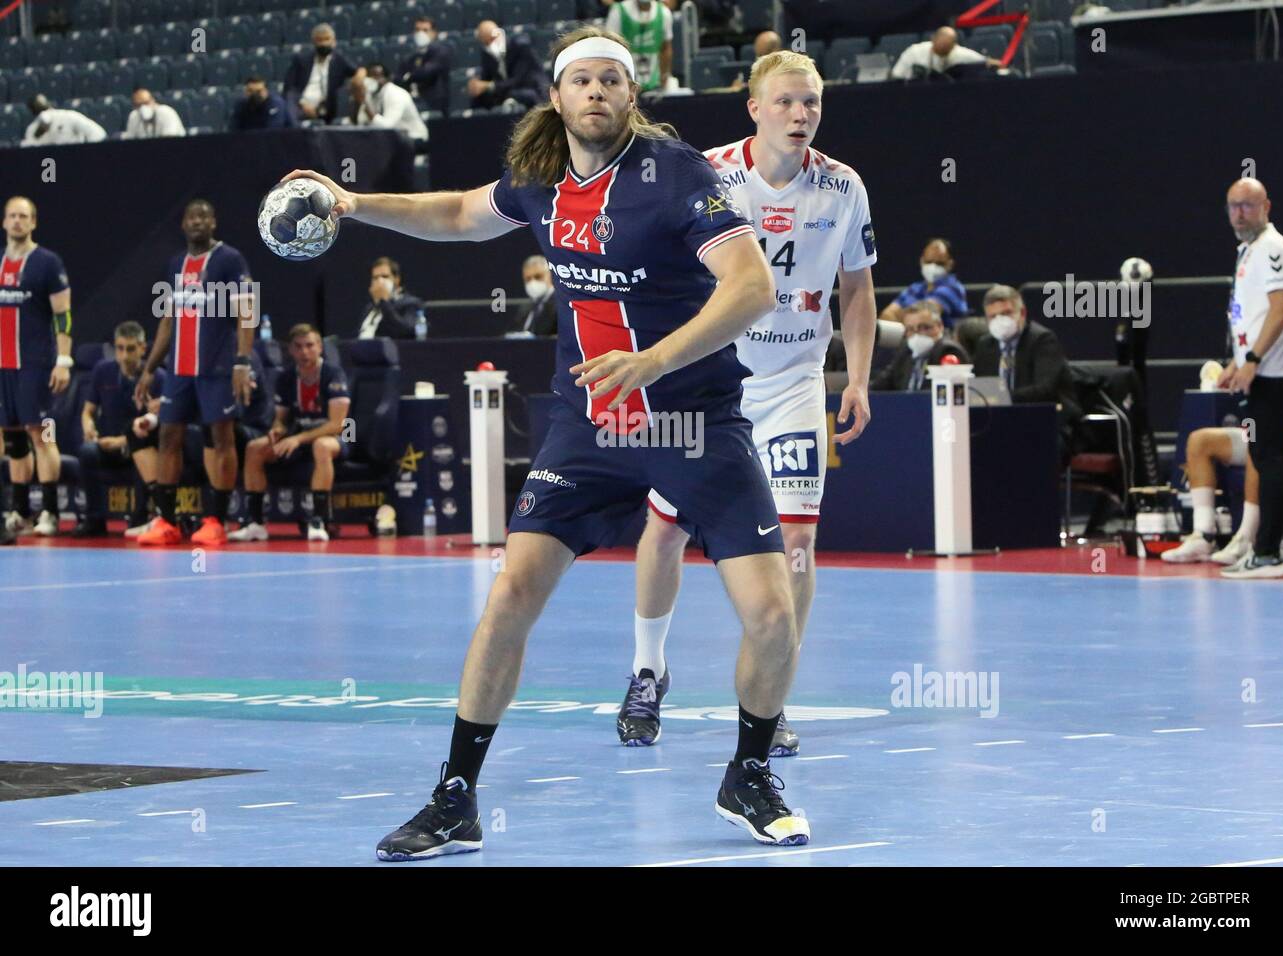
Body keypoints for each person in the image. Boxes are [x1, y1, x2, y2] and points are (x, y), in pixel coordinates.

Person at [284, 25, 811, 857]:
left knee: (773, 613)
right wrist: (354, 206)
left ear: (632, 95)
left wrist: (653, 361)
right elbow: (458, 213)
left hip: (694, 421)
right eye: (582, 81)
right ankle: (454, 798)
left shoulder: (677, 175)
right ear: (558, 98)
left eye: (612, 80)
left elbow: (752, 287)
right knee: (511, 593)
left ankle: (748, 773)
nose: (597, 92)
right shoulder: (537, 179)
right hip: (589, 427)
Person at [622, 50, 876, 755]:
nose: (802, 114)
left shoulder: (843, 186)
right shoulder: (708, 175)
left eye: (813, 103)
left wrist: (855, 378)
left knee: (797, 540)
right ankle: (647, 670)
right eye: (788, 102)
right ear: (755, 107)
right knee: (668, 528)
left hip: (794, 378)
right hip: (708, 380)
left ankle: (773, 693)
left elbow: (857, 290)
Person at [134, 199, 255, 546]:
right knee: (168, 437)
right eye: (191, 217)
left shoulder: (230, 260)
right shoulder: (176, 264)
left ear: (213, 222)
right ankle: (166, 521)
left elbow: (247, 310)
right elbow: (168, 321)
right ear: (183, 224)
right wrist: (149, 369)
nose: (197, 221)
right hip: (179, 370)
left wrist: (242, 361)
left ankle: (216, 519)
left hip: (216, 367)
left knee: (221, 439)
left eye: (204, 216)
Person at [1216, 178, 1283, 578]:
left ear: (1267, 205)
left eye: (1247, 205)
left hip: (1274, 371)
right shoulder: (1250, 251)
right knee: (1273, 458)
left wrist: (1253, 359)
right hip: (1259, 367)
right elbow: (1249, 314)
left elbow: (1280, 310)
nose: (1239, 213)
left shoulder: (1272, 251)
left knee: (1270, 459)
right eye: (1233, 206)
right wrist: (1237, 362)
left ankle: (1266, 553)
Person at [231, 325, 349, 543]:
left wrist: (297, 438)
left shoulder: (333, 374)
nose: (305, 352)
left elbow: (338, 424)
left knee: (322, 446)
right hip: (299, 437)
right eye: (299, 347)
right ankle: (255, 522)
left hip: (340, 436)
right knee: (255, 448)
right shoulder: (286, 377)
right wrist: (277, 430)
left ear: (320, 348)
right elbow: (281, 418)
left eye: (310, 346)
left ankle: (318, 520)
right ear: (291, 351)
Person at [1, 196, 73, 538]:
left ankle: (50, 512)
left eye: (24, 216)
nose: (17, 221)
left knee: (41, 434)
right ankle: (18, 511)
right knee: (12, 438)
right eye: (12, 216)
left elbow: (64, 314)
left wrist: (63, 360)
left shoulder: (47, 262)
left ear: (33, 223)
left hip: (36, 364)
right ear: (4, 222)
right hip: (4, 366)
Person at [1161, 397, 1283, 565]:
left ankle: (1246, 536)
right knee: (1199, 441)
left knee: (1259, 443)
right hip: (1268, 428)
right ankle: (1203, 536)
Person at [74, 321, 165, 538]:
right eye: (120, 348)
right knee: (87, 452)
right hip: (106, 445)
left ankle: (139, 518)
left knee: (142, 455)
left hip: (136, 445)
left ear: (143, 348)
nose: (124, 355)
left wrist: (122, 441)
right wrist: (89, 428)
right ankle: (94, 519)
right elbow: (87, 411)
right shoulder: (102, 370)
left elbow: (158, 423)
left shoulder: (158, 377)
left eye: (131, 349)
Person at [972, 284, 1081, 461]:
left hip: (1045, 422)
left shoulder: (1042, 340)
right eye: (993, 316)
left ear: (1022, 313)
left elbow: (1045, 389)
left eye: (1006, 314)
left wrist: (1001, 398)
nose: (999, 320)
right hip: (999, 423)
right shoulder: (986, 346)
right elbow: (979, 387)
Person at [872, 303, 969, 392]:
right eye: (910, 329)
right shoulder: (906, 351)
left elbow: (947, 393)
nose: (917, 334)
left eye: (924, 327)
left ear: (939, 326)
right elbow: (881, 385)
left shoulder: (948, 350)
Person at [878, 237, 969, 330]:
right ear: (922, 261)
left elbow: (923, 315)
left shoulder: (953, 288)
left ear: (950, 264)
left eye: (939, 263)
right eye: (929, 262)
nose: (933, 267)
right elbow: (886, 315)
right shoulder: (914, 288)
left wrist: (900, 317)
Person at [283, 23, 364, 125]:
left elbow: (359, 70)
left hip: (325, 108)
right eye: (319, 40)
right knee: (288, 104)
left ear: (333, 41)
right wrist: (302, 104)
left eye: (327, 39)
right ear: (314, 42)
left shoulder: (339, 60)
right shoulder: (301, 59)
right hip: (301, 105)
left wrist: (359, 77)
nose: (323, 44)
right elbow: (289, 87)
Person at [469, 20, 549, 110]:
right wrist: (477, 86)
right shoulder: (487, 55)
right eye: (486, 43)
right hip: (507, 91)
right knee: (479, 100)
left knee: (517, 95)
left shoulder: (520, 46)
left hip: (530, 89)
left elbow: (516, 80)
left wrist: (488, 85)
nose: (491, 45)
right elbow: (485, 79)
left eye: (492, 39)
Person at [605, 0, 674, 92]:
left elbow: (666, 49)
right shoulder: (618, 11)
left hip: (654, 83)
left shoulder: (664, 12)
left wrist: (664, 78)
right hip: (625, 85)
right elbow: (610, 49)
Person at [889, 26, 999, 81]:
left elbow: (988, 62)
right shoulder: (914, 52)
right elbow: (896, 75)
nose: (941, 53)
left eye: (945, 51)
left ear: (953, 46)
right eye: (938, 50)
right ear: (933, 39)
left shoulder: (961, 54)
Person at [352, 64, 429, 142]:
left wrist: (365, 104)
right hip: (392, 140)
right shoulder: (370, 94)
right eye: (370, 77)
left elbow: (387, 128)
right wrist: (359, 97)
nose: (374, 80)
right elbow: (360, 122)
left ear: (388, 79)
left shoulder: (396, 94)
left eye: (378, 76)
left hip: (413, 138)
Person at [397, 15, 452, 115]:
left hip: (435, 105)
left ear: (434, 33)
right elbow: (399, 79)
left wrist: (409, 77)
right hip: (413, 104)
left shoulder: (441, 51)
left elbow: (427, 72)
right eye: (417, 30)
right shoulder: (409, 57)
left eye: (425, 30)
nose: (420, 34)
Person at [357, 257, 421, 340]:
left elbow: (406, 332)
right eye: (375, 278)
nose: (380, 281)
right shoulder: (369, 308)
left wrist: (384, 301)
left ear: (397, 279)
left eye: (385, 276)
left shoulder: (410, 303)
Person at [21, 95, 107, 146]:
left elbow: (98, 133)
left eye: (41, 103)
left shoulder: (68, 116)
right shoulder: (32, 129)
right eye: (37, 104)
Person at [509, 254, 557, 336]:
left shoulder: (561, 303)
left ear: (550, 275)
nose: (532, 282)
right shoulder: (525, 308)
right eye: (528, 279)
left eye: (538, 276)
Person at [230, 77, 294, 132]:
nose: (255, 95)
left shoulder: (276, 103)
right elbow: (234, 129)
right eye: (250, 91)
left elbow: (273, 130)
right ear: (245, 92)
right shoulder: (241, 105)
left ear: (266, 91)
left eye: (259, 91)